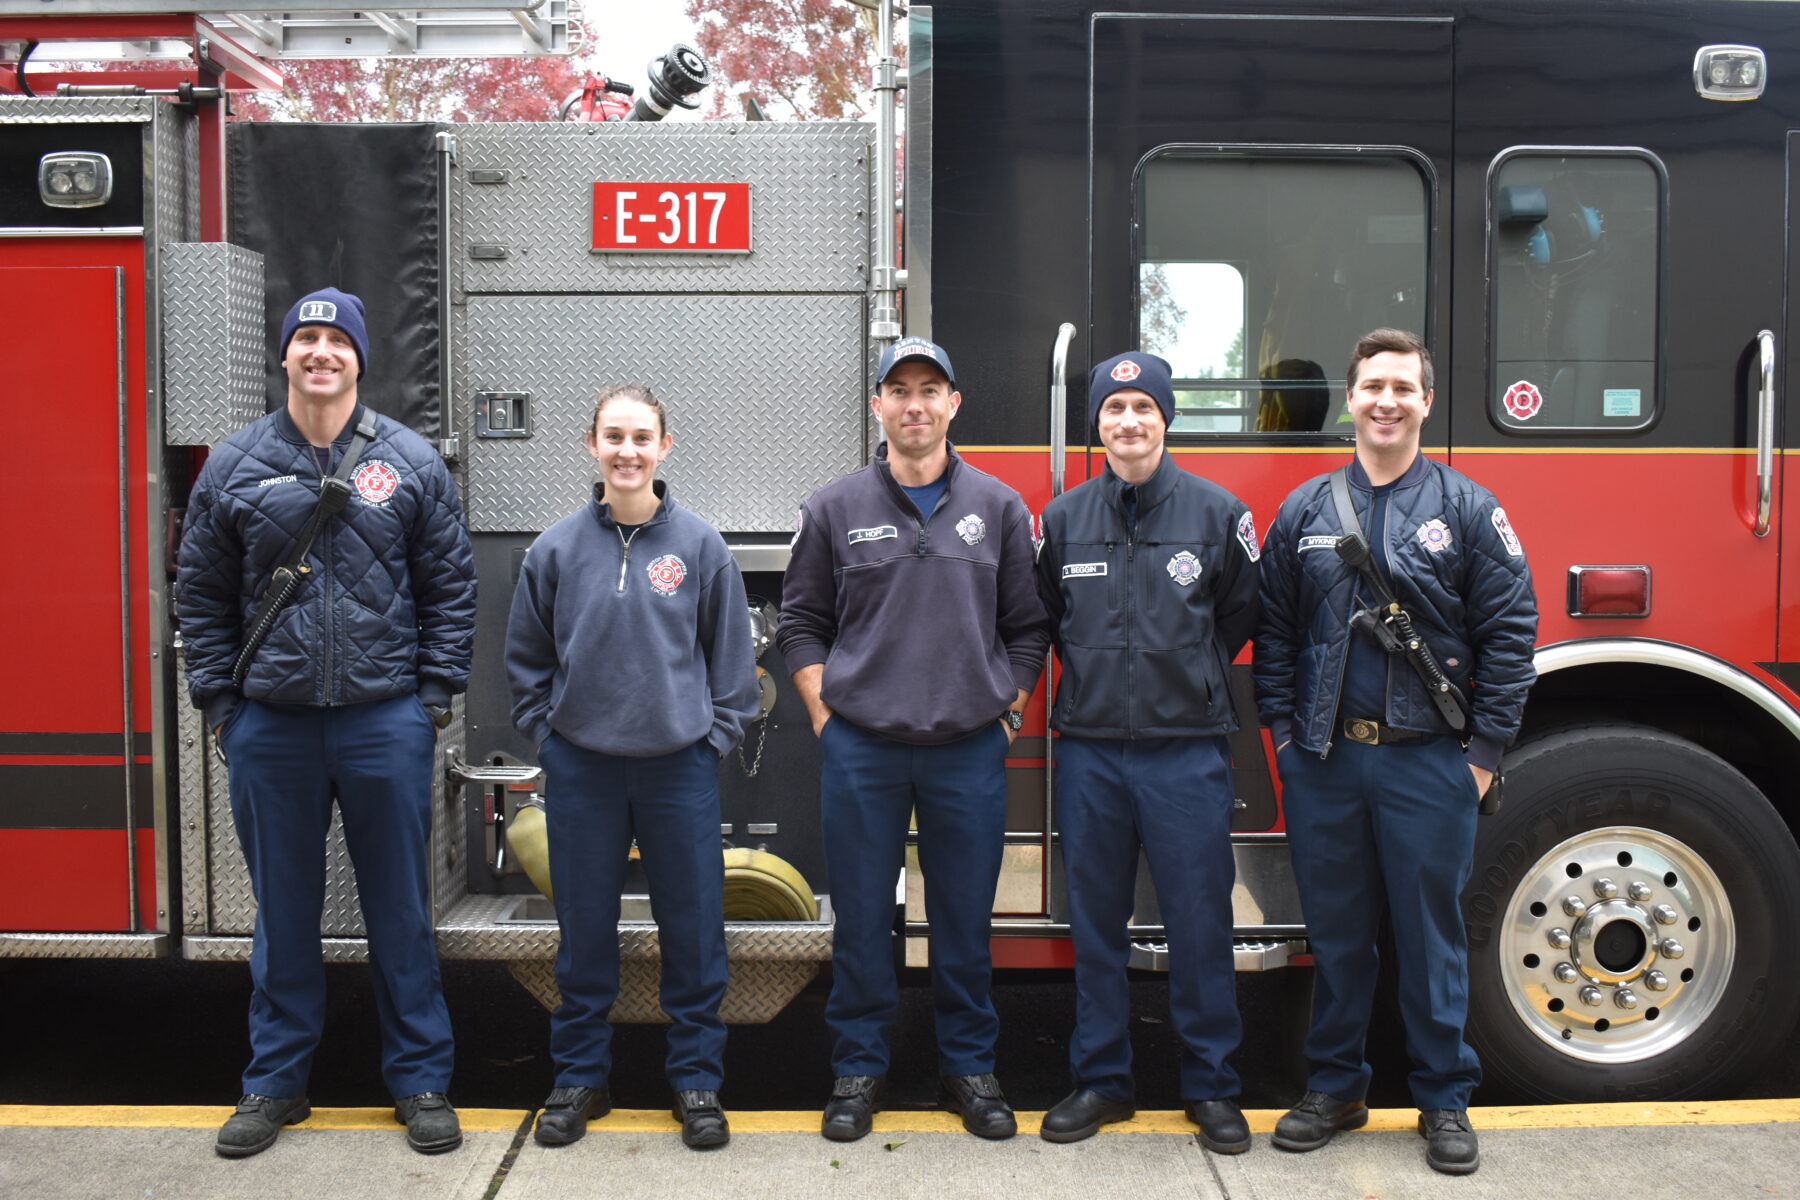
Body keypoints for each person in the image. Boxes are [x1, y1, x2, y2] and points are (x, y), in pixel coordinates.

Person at [177, 287, 477, 1158]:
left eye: (335, 338)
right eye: (305, 337)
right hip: (271, 727)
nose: (320, 352)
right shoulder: (234, 465)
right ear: (284, 357)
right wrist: (223, 707)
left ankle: (421, 1079)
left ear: (359, 358)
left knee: (400, 912)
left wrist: (430, 703)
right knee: (284, 915)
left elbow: (450, 589)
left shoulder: (411, 463)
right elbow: (199, 595)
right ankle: (274, 1083)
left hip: (386, 722)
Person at [1254, 328, 1536, 1175]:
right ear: (1350, 399)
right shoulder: (1302, 512)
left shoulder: (1469, 509)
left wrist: (1481, 755)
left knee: (1430, 937)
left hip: (1430, 764)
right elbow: (1272, 635)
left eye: (1402, 388)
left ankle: (1444, 1099)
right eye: (1372, 385)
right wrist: (1286, 744)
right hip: (1326, 764)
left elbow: (1511, 635)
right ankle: (1336, 1087)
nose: (1386, 401)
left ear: (1426, 401)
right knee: (1338, 938)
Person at [776, 336, 1050, 1143]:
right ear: (879, 406)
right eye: (900, 391)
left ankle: (969, 1068)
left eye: (931, 389)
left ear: (953, 405)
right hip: (863, 748)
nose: (916, 404)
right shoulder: (833, 508)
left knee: (965, 921)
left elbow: (1029, 627)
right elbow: (801, 624)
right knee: (863, 920)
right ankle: (859, 1069)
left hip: (968, 747)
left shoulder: (999, 507)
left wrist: (1007, 714)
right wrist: (827, 715)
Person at [505, 384, 759, 1151]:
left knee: (693, 930)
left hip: (677, 769)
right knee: (585, 934)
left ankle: (696, 1081)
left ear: (665, 447)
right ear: (591, 445)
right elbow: (526, 659)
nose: (628, 451)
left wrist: (711, 738)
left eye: (642, 437)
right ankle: (581, 1075)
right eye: (614, 436)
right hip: (581, 770)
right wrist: (547, 736)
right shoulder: (552, 550)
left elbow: (732, 664)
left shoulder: (702, 547)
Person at [1033, 351, 1260, 1150]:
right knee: (1096, 924)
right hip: (1092, 753)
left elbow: (1238, 614)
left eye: (1143, 407)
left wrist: (1183, 679)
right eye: (1113, 408)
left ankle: (1212, 1088)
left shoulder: (1217, 512)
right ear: (1095, 424)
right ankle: (1102, 1081)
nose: (1128, 421)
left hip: (1184, 754)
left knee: (1201, 925)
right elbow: (1049, 619)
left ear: (1166, 418)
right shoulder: (1062, 522)